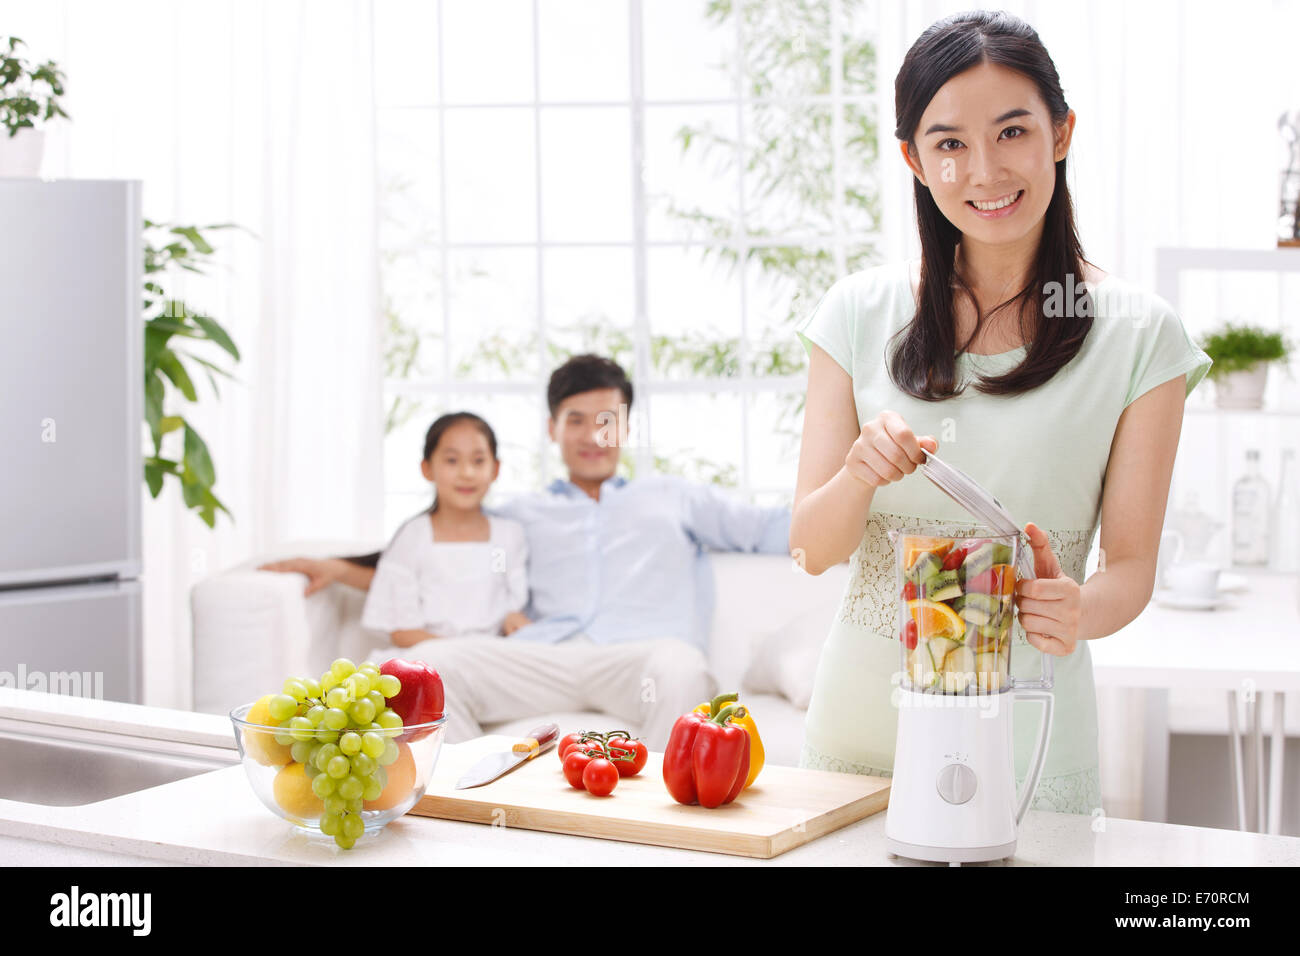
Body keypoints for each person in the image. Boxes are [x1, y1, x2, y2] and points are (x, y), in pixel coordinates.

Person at [788, 10, 1212, 815]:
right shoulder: (855, 313)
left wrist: (1080, 608)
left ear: (1060, 133)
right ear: (914, 159)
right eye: (949, 144)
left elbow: (1128, 569)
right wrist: (854, 477)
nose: (984, 171)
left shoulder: (1140, 334)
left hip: (1027, 731)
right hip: (858, 735)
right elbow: (811, 550)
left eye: (1012, 131)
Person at [262, 354, 790, 749]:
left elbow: (770, 528)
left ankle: (648, 826)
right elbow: (436, 544)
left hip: (642, 660)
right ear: (552, 429)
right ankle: (473, 812)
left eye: (606, 421)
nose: (592, 435)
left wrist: (862, 505)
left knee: (682, 668)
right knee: (431, 664)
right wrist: (335, 566)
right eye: (575, 420)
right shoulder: (519, 514)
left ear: (626, 427)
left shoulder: (677, 498)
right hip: (544, 656)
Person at [359, 412, 530, 649]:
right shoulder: (413, 538)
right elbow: (403, 632)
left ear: (495, 469)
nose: (467, 473)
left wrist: (511, 616)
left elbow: (499, 583)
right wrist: (461, 653)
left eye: (478, 461)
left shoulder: (503, 539)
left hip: (491, 659)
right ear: (427, 468)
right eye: (452, 461)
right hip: (429, 658)